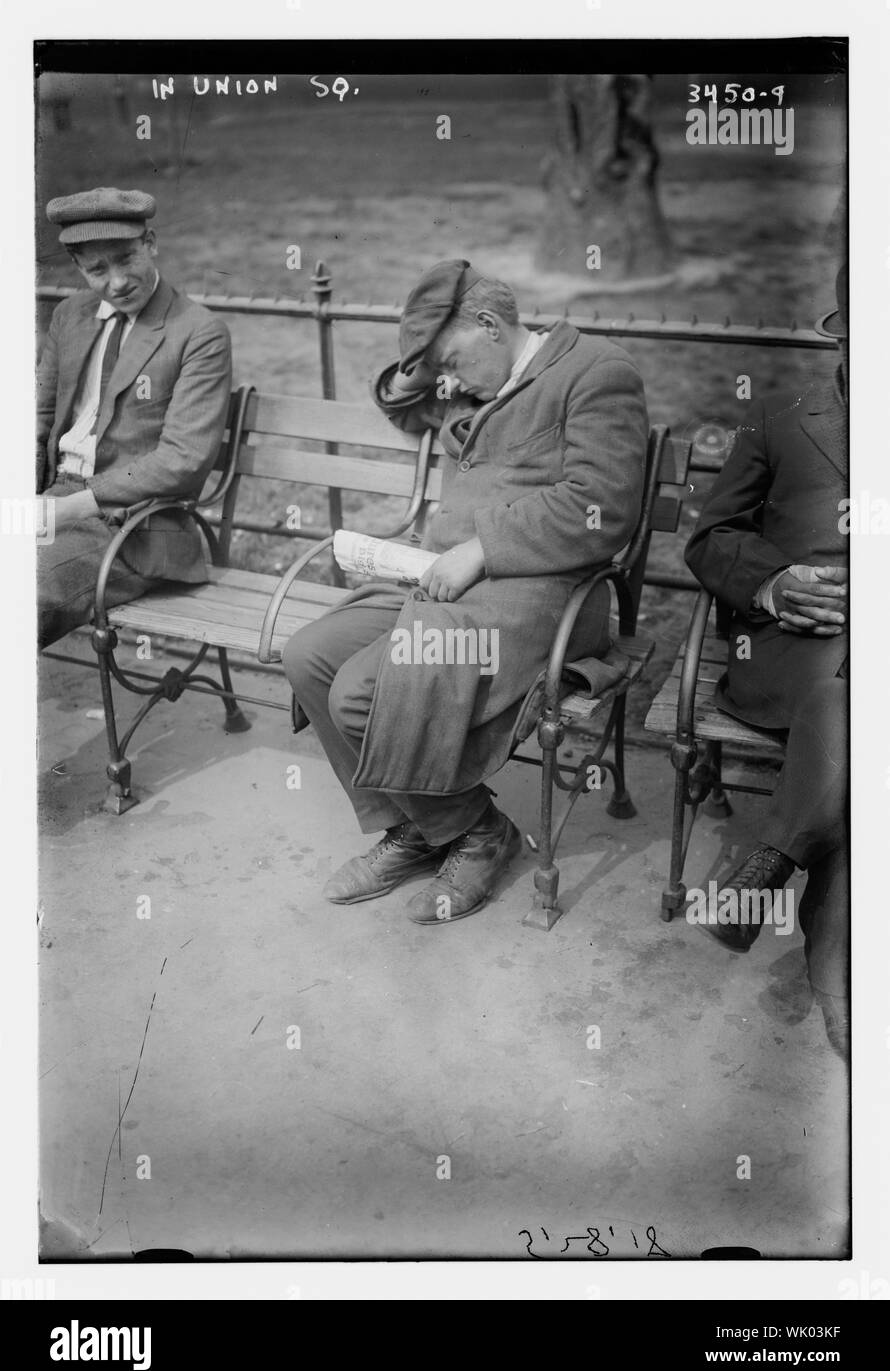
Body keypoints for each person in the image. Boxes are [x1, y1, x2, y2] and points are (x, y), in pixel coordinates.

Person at [284, 259, 648, 924]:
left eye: (451, 358)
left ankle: (479, 835)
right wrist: (428, 362)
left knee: (360, 693)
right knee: (309, 654)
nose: (448, 379)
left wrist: (482, 549)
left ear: (488, 326)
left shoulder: (596, 372)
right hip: (450, 583)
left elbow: (603, 506)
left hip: (546, 596)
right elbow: (402, 401)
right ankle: (423, 826)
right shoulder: (475, 385)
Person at [685, 268, 849, 1059]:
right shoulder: (778, 419)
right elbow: (710, 539)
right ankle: (839, 970)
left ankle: (773, 869)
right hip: (786, 648)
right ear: (841, 333)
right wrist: (776, 585)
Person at [37, 187, 232, 649]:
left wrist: (69, 507)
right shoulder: (70, 315)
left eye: (126, 258)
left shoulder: (198, 332)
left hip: (131, 525)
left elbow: (182, 459)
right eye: (97, 269)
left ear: (151, 243)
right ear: (78, 268)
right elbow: (38, 419)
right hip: (50, 502)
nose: (118, 281)